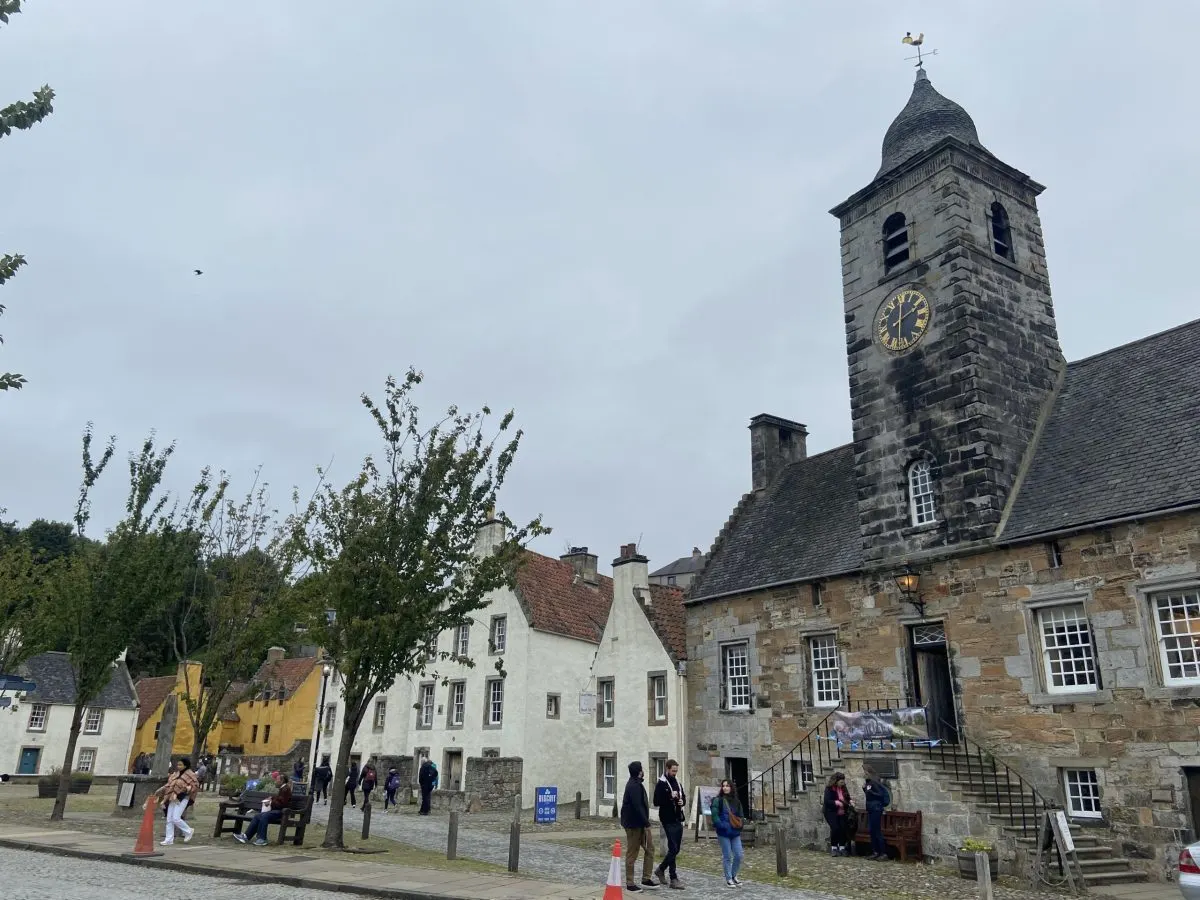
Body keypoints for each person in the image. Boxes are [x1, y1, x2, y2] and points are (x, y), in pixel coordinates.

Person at [619, 760, 657, 893]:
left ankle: (646, 879)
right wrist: (646, 823)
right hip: (634, 825)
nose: (643, 770)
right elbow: (637, 806)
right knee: (632, 853)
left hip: (640, 823)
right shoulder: (633, 786)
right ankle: (630, 883)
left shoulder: (636, 784)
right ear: (639, 772)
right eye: (642, 769)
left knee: (650, 849)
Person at [147, 757, 200, 846]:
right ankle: (169, 839)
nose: (178, 766)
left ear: (185, 765)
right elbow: (169, 785)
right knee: (169, 819)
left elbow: (195, 785)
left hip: (183, 798)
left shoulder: (191, 774)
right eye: (178, 764)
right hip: (172, 797)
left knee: (176, 818)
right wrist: (161, 791)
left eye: (180, 765)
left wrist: (188, 789)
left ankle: (188, 830)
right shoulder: (175, 774)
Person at [652, 759, 686, 889]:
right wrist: (669, 797)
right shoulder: (661, 784)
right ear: (667, 769)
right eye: (673, 771)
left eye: (676, 771)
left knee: (676, 849)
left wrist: (682, 802)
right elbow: (656, 801)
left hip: (678, 817)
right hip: (667, 819)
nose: (675, 773)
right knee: (673, 848)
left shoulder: (677, 782)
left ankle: (661, 869)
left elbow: (684, 797)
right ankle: (673, 878)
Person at [234, 777, 293, 846]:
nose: (275, 781)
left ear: (282, 781)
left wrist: (270, 802)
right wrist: (272, 798)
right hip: (277, 811)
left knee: (264, 816)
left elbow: (283, 804)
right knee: (257, 816)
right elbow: (279, 799)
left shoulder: (285, 789)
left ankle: (262, 839)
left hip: (282, 812)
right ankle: (246, 836)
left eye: (277, 780)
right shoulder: (283, 788)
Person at [711, 779, 745, 887]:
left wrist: (740, 825)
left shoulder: (736, 801)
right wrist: (721, 826)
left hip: (735, 832)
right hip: (724, 832)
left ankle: (734, 875)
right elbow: (714, 814)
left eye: (727, 785)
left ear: (731, 787)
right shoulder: (718, 800)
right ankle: (729, 878)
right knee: (727, 856)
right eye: (723, 786)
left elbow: (741, 815)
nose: (725, 787)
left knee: (739, 855)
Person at [863, 767, 891, 861]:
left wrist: (871, 792)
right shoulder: (868, 783)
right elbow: (869, 796)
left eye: (866, 773)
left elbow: (880, 795)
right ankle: (875, 851)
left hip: (876, 808)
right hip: (871, 808)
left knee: (876, 830)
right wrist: (865, 790)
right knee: (871, 830)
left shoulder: (874, 782)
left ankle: (883, 853)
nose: (864, 775)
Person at [823, 772, 853, 856]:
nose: (842, 784)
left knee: (843, 828)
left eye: (843, 782)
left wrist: (850, 801)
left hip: (842, 811)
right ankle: (834, 847)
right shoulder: (829, 789)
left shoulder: (843, 787)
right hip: (831, 812)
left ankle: (842, 847)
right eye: (841, 782)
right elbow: (827, 801)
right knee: (835, 828)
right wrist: (836, 802)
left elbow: (847, 796)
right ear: (836, 781)